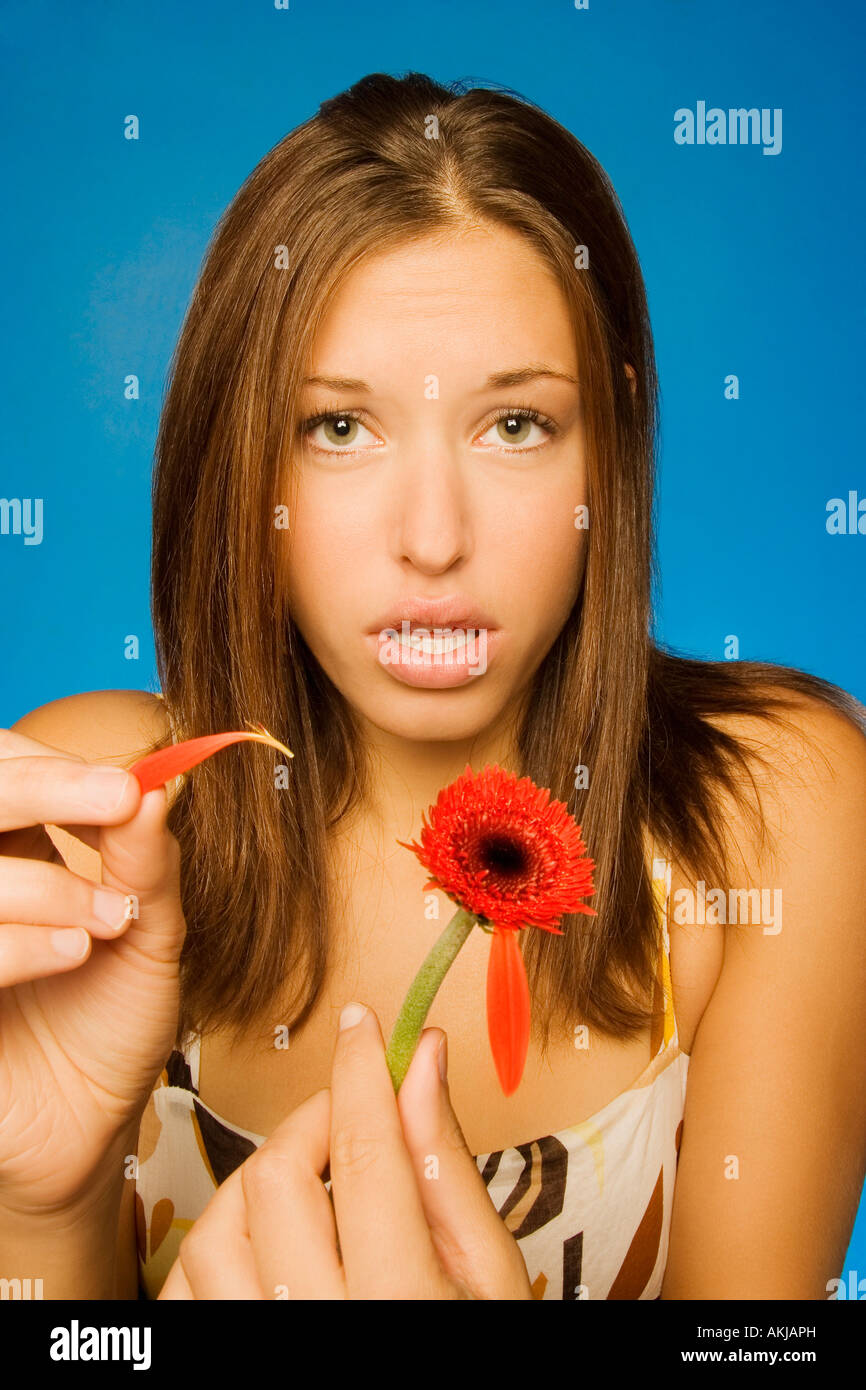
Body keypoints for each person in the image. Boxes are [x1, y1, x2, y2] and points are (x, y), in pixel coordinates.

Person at [2, 71, 865, 1301]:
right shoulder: (92, 821)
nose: (431, 540)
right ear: (245, 462)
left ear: (606, 446)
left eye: (513, 424)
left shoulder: (772, 812)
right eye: (337, 429)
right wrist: (43, 1209)